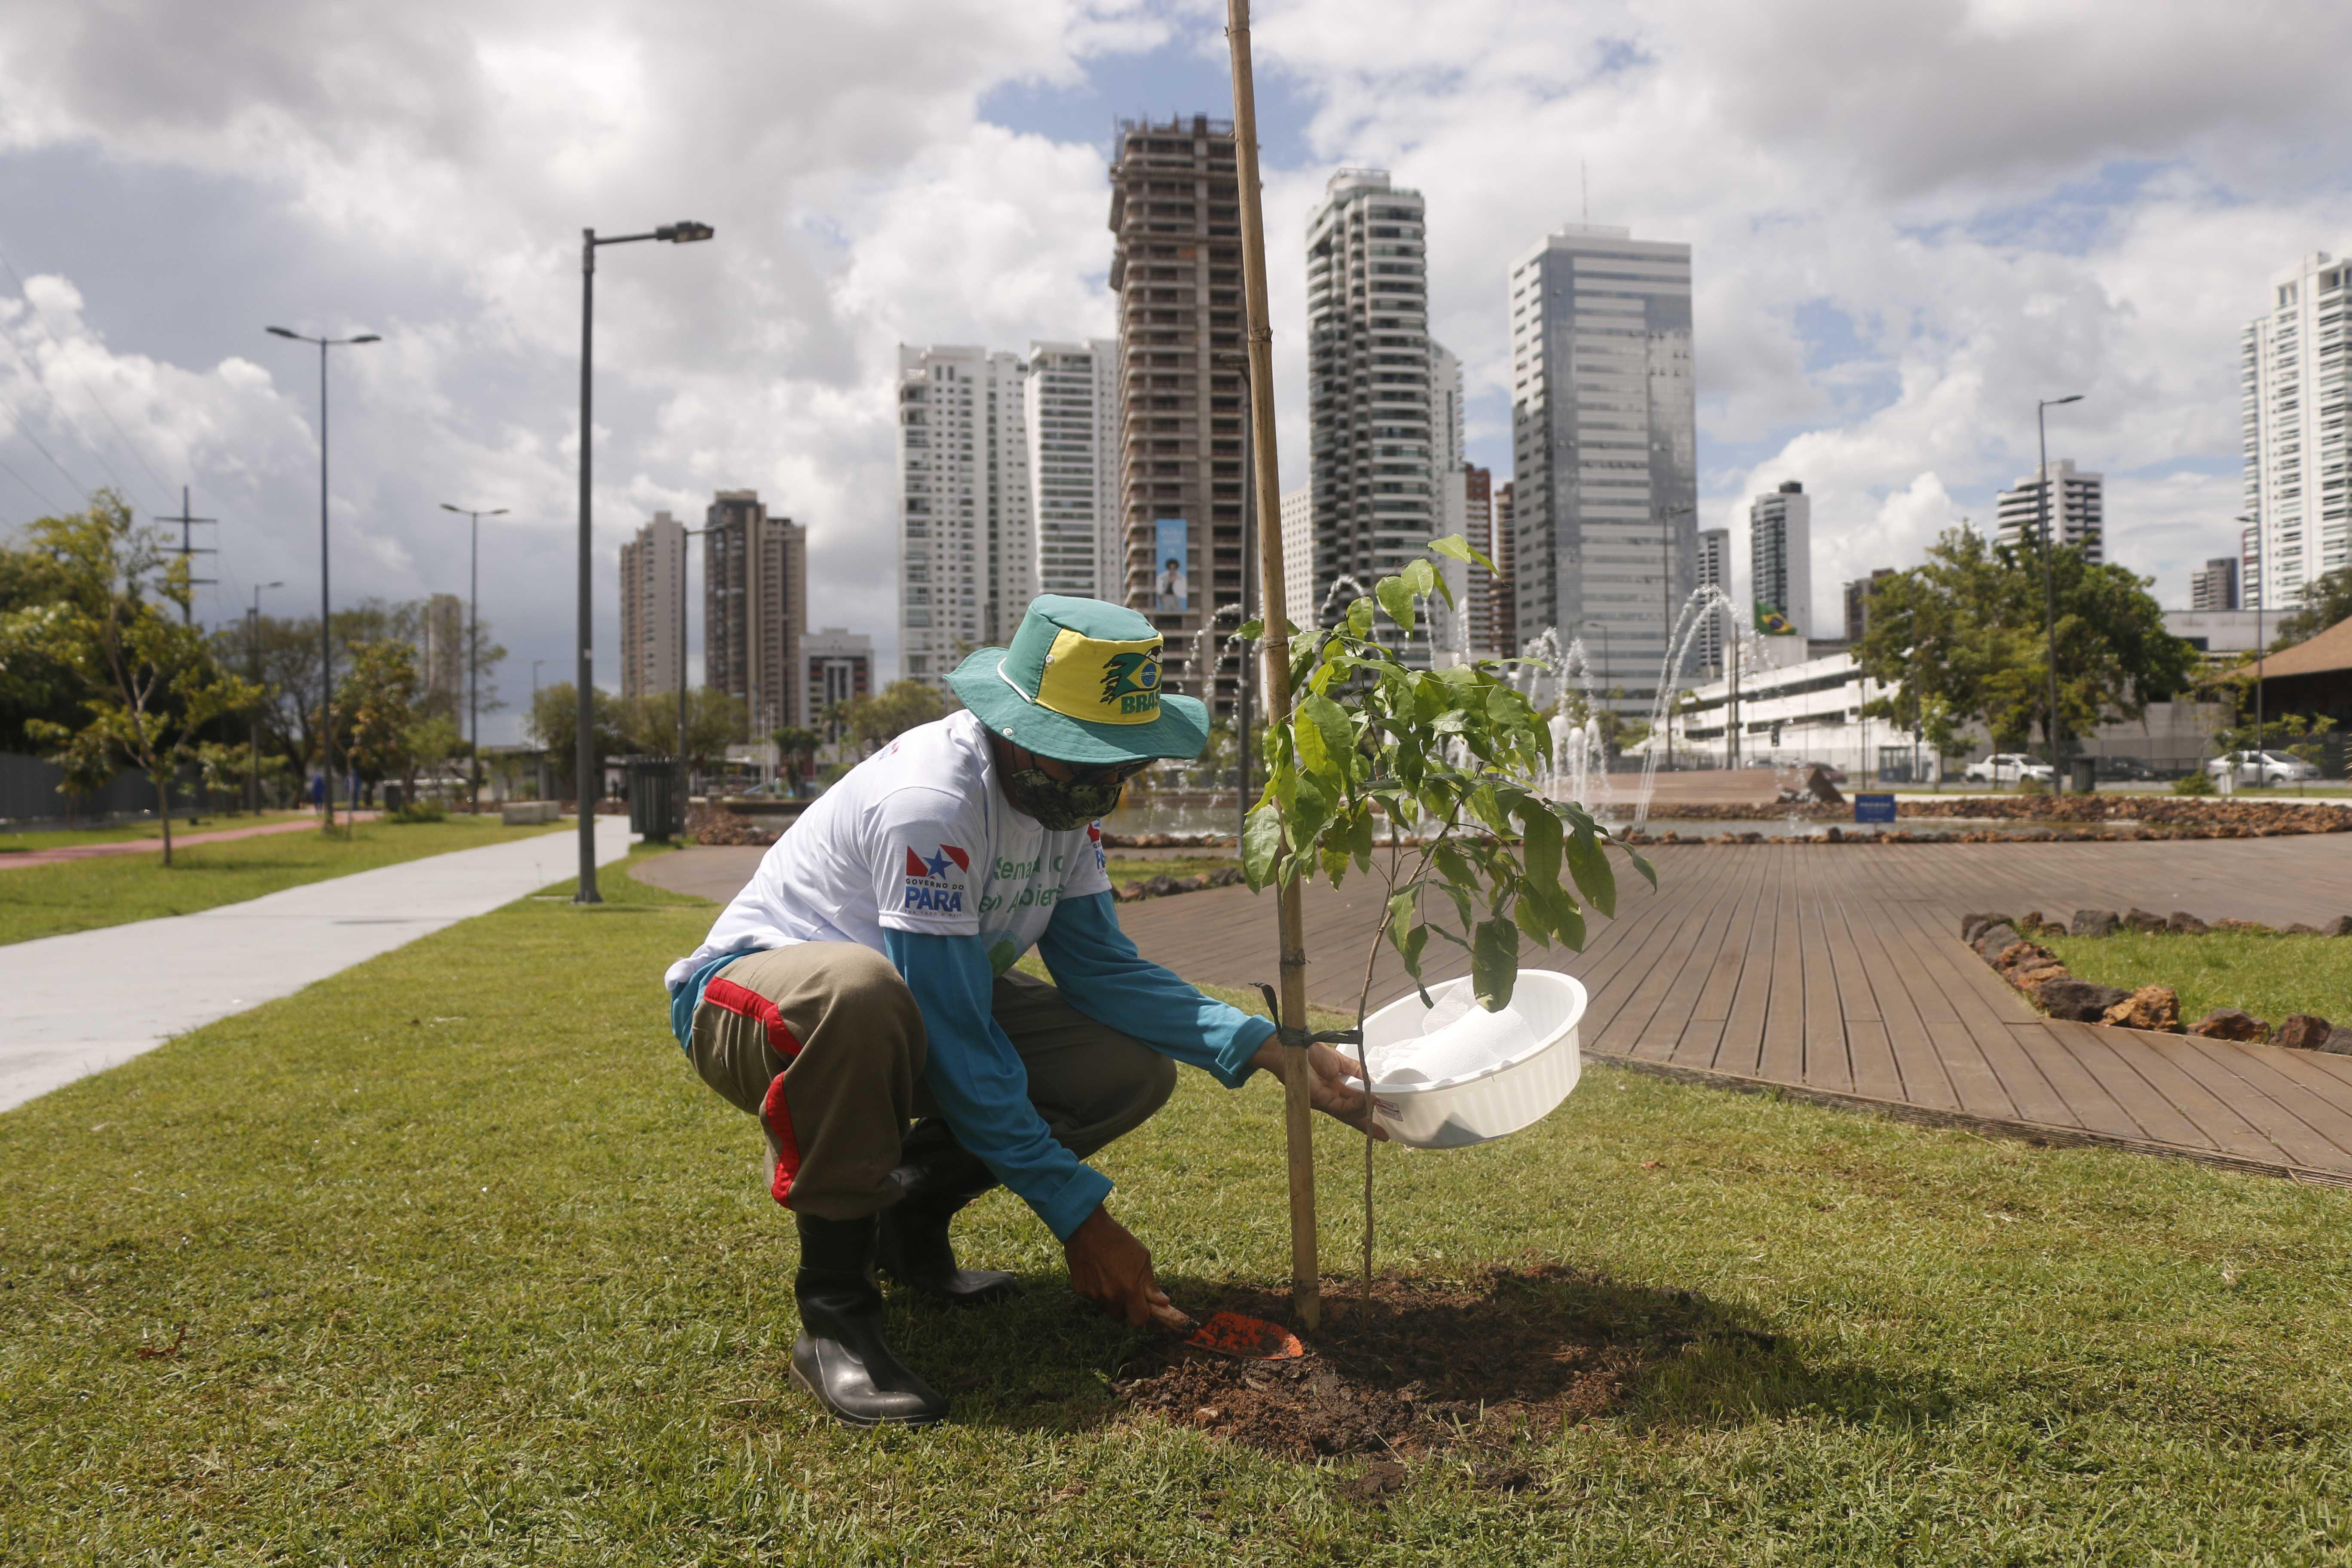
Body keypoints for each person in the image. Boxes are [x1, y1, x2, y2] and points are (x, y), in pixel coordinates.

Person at [663, 596, 1375, 1428]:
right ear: (1018, 730)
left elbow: (1102, 971)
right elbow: (958, 1037)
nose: (1108, 789)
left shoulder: (1062, 811)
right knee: (861, 996)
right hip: (751, 1004)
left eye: (1126, 766)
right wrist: (1082, 1218)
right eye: (1090, 761)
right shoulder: (933, 802)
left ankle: (910, 1214)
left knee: (1123, 1071)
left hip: (908, 1001)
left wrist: (1267, 1047)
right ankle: (836, 1319)